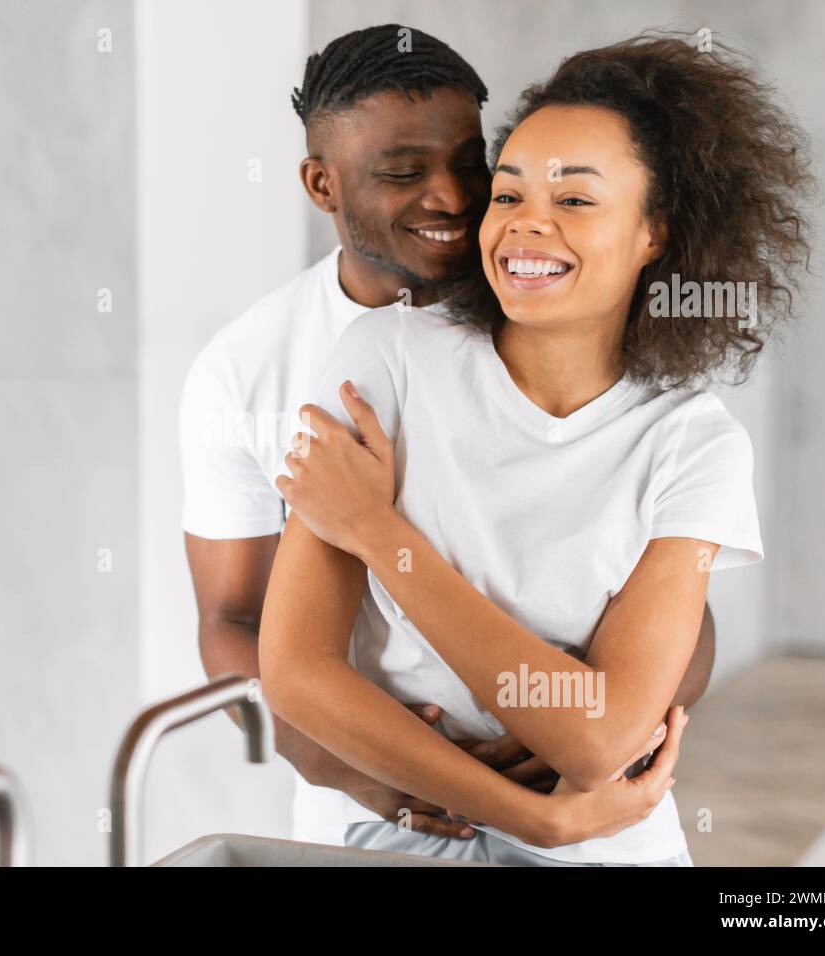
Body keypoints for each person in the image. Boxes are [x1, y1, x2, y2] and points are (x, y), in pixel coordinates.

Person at [261, 32, 813, 865]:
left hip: (615, 848)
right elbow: (298, 670)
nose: (526, 228)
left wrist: (378, 532)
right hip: (415, 841)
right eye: (509, 194)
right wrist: (532, 817)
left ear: (656, 232)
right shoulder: (389, 358)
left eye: (577, 202)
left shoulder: (692, 443)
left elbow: (598, 741)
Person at [179, 25, 715, 849]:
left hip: (594, 803)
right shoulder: (263, 365)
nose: (456, 199)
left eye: (475, 166)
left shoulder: (559, 303)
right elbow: (235, 620)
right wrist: (349, 766)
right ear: (322, 184)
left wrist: (610, 730)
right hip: (378, 810)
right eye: (402, 172)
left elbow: (666, 598)